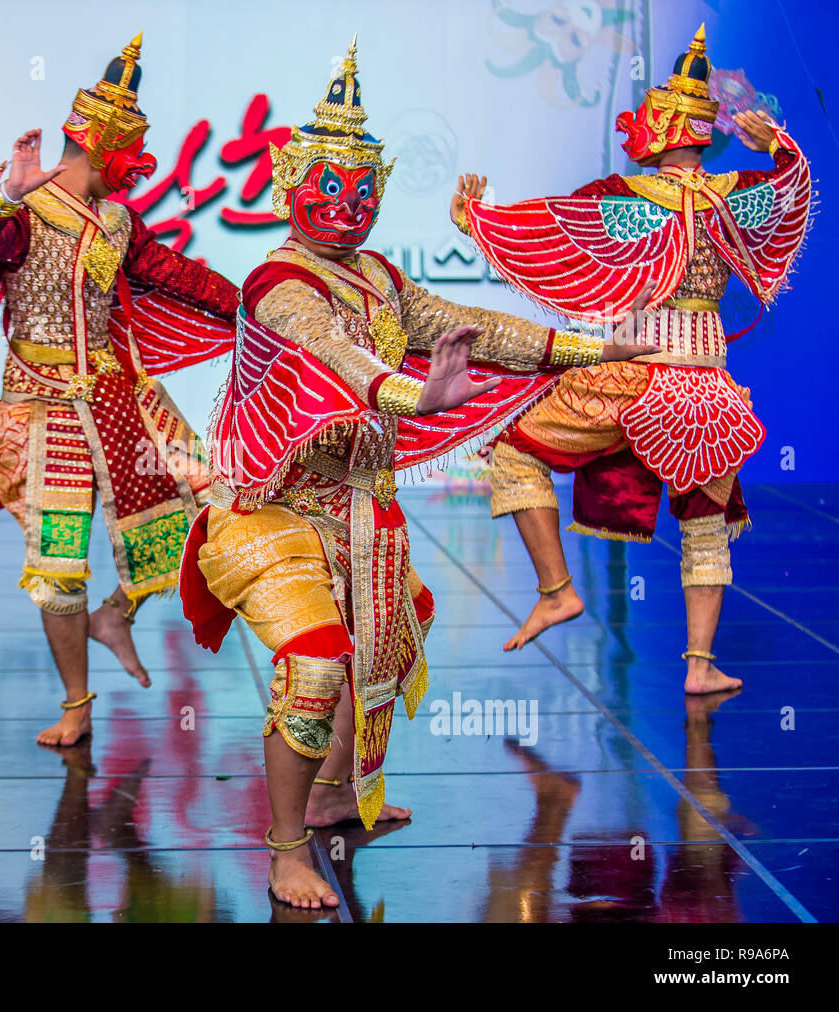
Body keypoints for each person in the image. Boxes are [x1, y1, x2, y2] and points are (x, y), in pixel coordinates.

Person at [178, 39, 653, 909]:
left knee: (387, 652)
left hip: (367, 511)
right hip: (273, 513)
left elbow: (473, 323)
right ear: (290, 186)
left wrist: (589, 345)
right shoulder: (276, 284)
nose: (348, 205)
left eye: (364, 190)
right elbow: (334, 360)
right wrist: (413, 393)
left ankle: (329, 798)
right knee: (317, 669)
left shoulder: (381, 276)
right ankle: (286, 851)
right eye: (330, 187)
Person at [454, 24, 812, 693]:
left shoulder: (624, 198)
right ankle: (700, 667)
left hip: (633, 373)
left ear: (660, 127)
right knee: (705, 522)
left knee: (514, 449)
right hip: (708, 389)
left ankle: (557, 588)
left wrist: (479, 220)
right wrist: (779, 147)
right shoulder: (736, 194)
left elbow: (549, 229)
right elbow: (793, 191)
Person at [0, 34, 240, 746]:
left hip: (118, 397)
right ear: (98, 151)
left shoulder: (117, 221)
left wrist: (251, 305)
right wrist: (9, 193)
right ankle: (77, 703)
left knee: (208, 499)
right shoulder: (20, 210)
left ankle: (116, 617)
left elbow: (172, 272)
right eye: (129, 162)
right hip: (43, 413)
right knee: (58, 562)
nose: (136, 175)